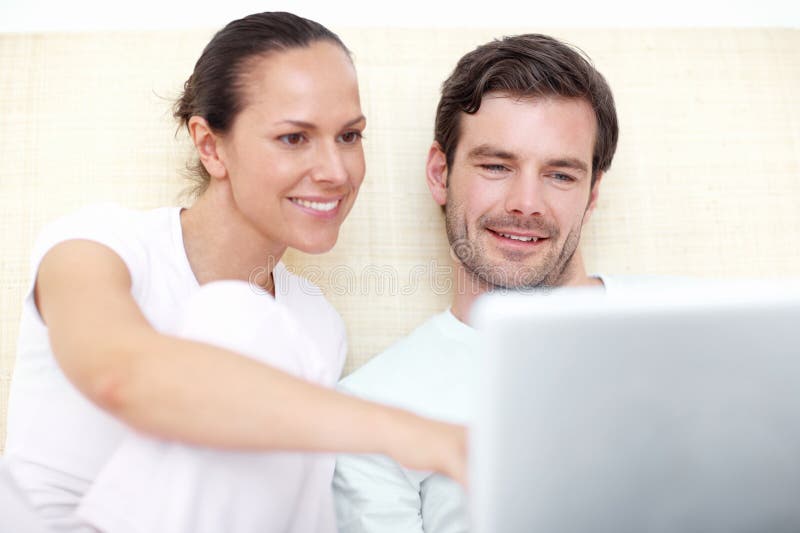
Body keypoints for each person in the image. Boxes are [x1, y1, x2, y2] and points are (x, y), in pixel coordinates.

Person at [3, 12, 465, 533]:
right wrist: (411, 435)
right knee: (239, 317)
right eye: (294, 138)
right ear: (210, 146)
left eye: (349, 136)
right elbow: (122, 376)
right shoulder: (95, 246)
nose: (336, 172)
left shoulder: (315, 324)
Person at [333, 33, 625, 533]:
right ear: (439, 173)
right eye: (496, 166)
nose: (526, 202)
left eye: (560, 175)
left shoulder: (703, 322)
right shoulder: (371, 408)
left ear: (592, 192)